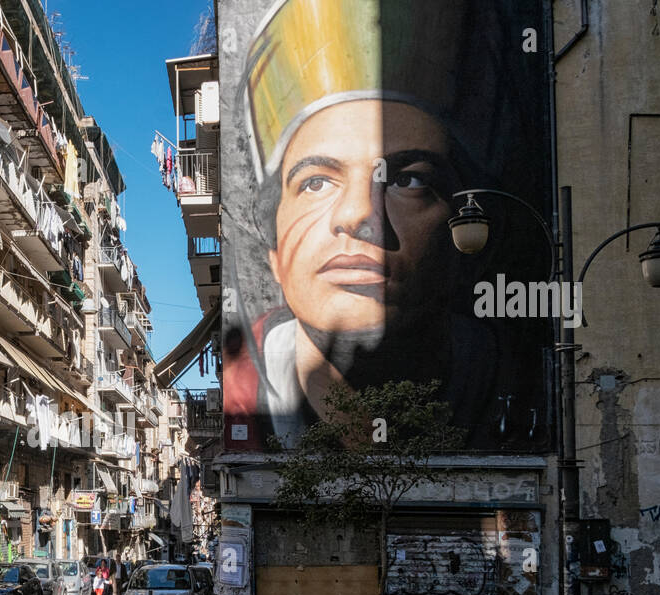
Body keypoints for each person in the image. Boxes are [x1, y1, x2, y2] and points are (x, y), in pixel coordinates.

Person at [224, 0, 549, 452]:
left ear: (465, 232)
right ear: (273, 253)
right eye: (316, 182)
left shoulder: (520, 379)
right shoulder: (243, 392)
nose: (359, 214)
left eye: (408, 180)